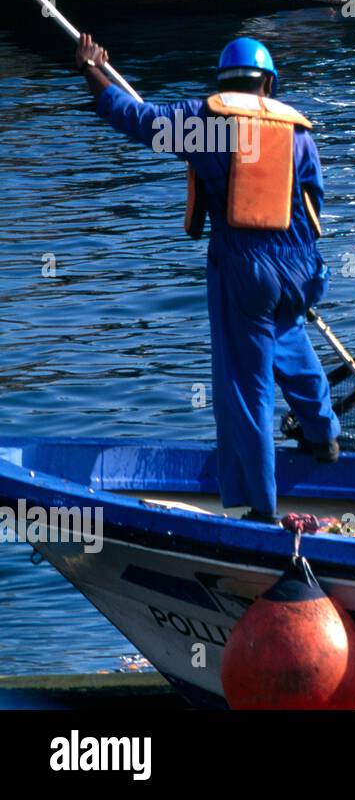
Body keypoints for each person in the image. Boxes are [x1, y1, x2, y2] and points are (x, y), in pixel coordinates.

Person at [75, 33, 340, 522]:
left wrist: (93, 70)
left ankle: (261, 508)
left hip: (247, 270)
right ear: (269, 85)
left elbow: (136, 119)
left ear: (223, 81)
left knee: (247, 389)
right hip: (302, 266)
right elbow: (314, 199)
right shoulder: (298, 131)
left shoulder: (205, 125)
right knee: (291, 341)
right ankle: (324, 437)